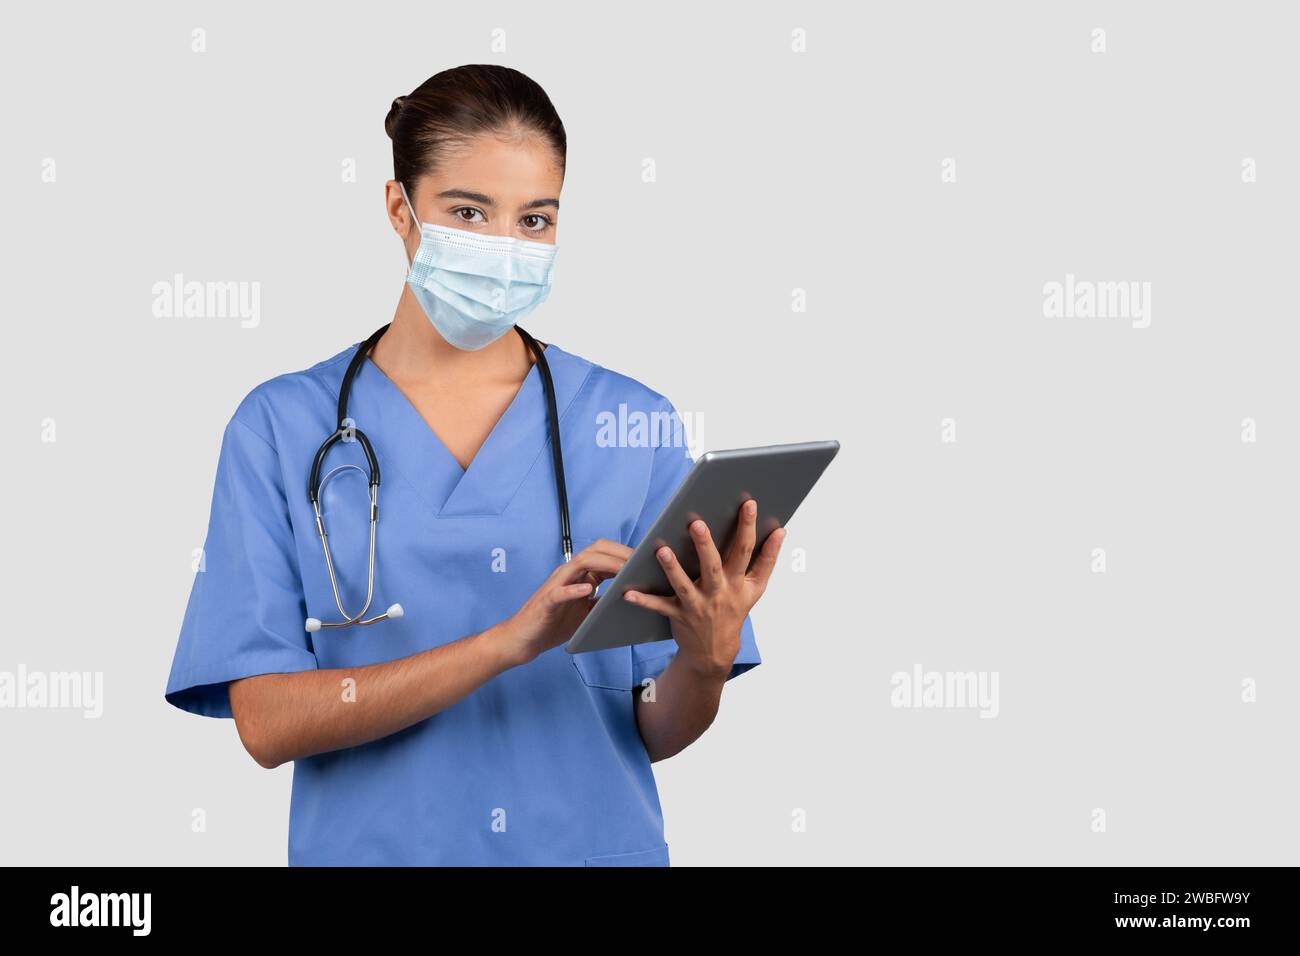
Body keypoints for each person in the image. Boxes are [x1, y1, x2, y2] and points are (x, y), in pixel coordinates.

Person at [165, 64, 784, 866]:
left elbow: (655, 729)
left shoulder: (630, 422)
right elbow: (267, 724)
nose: (504, 248)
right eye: (468, 212)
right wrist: (506, 643)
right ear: (400, 209)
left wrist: (703, 660)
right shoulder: (282, 426)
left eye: (534, 220)